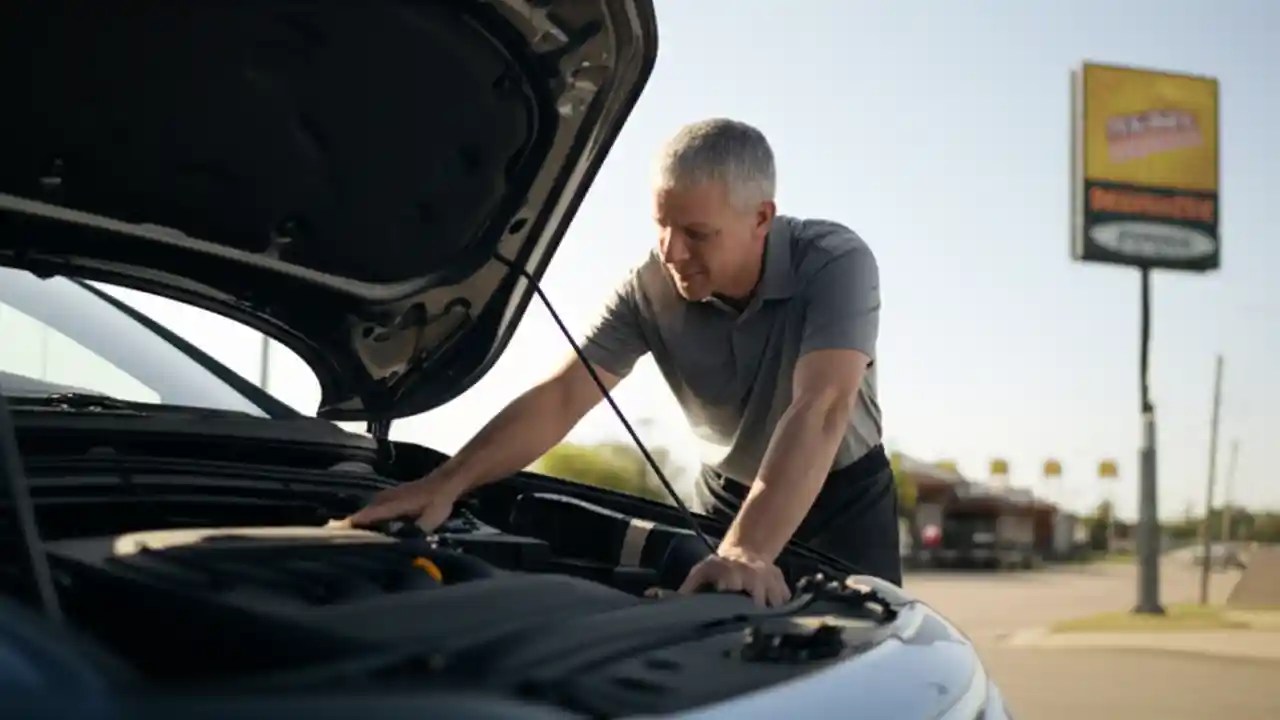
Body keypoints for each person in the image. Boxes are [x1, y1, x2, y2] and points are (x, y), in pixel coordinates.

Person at [339, 118, 899, 606]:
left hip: (842, 498)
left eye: (697, 234)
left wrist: (747, 552)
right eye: (663, 225)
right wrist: (445, 484)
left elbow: (822, 407)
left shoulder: (834, 263)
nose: (672, 252)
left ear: (762, 219)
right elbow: (562, 396)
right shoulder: (647, 289)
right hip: (724, 497)